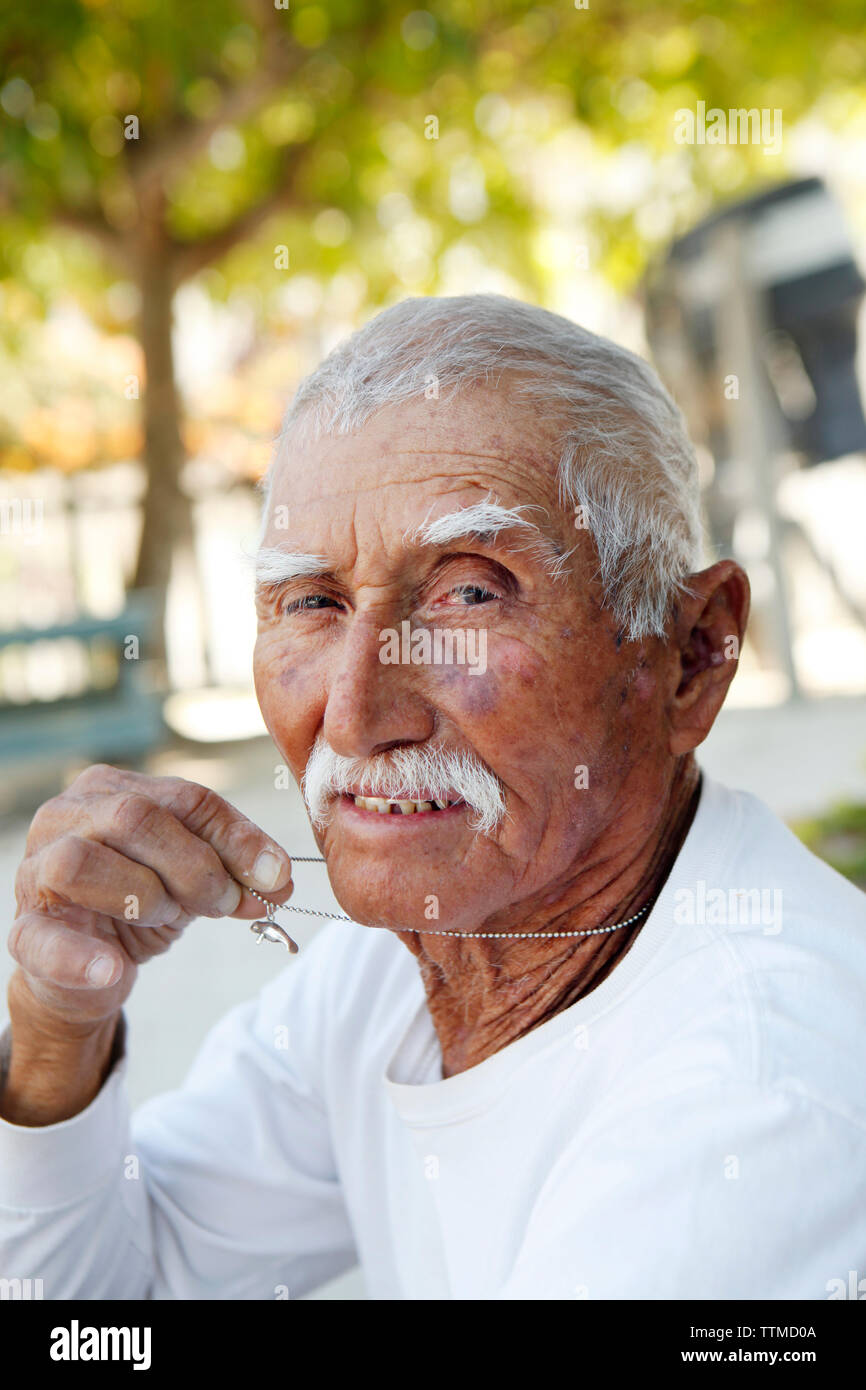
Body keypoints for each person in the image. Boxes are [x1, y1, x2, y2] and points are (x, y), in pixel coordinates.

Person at [1, 295, 864, 1300]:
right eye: (312, 602)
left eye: (468, 591)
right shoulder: (395, 973)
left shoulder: (756, 1098)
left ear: (688, 655)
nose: (357, 713)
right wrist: (59, 1028)